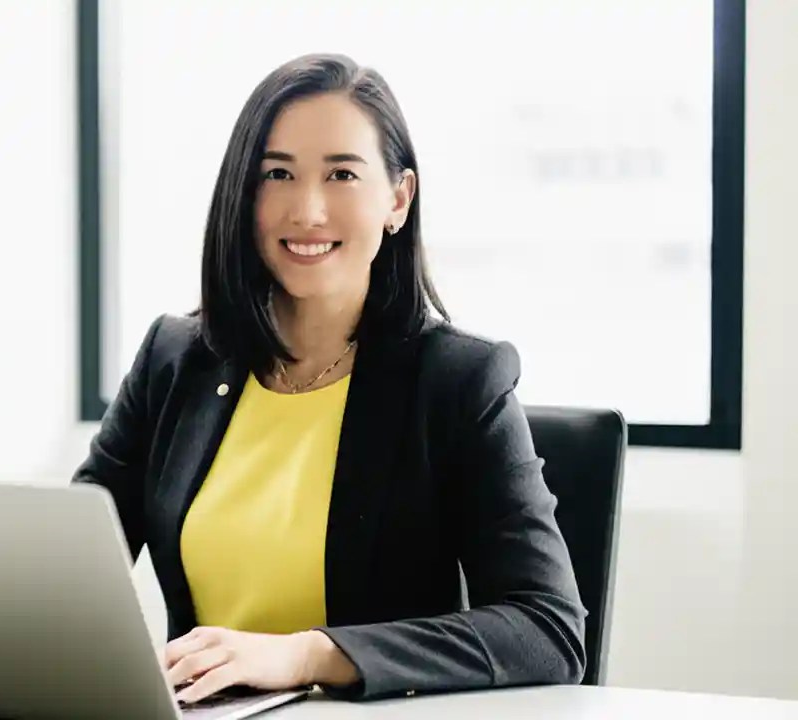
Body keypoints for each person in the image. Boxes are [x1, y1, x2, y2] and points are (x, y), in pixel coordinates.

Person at [72, 53, 585, 705]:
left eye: (342, 174)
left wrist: (308, 654)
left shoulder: (458, 382)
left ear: (398, 198)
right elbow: (69, 573)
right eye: (277, 174)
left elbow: (547, 630)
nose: (307, 209)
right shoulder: (175, 360)